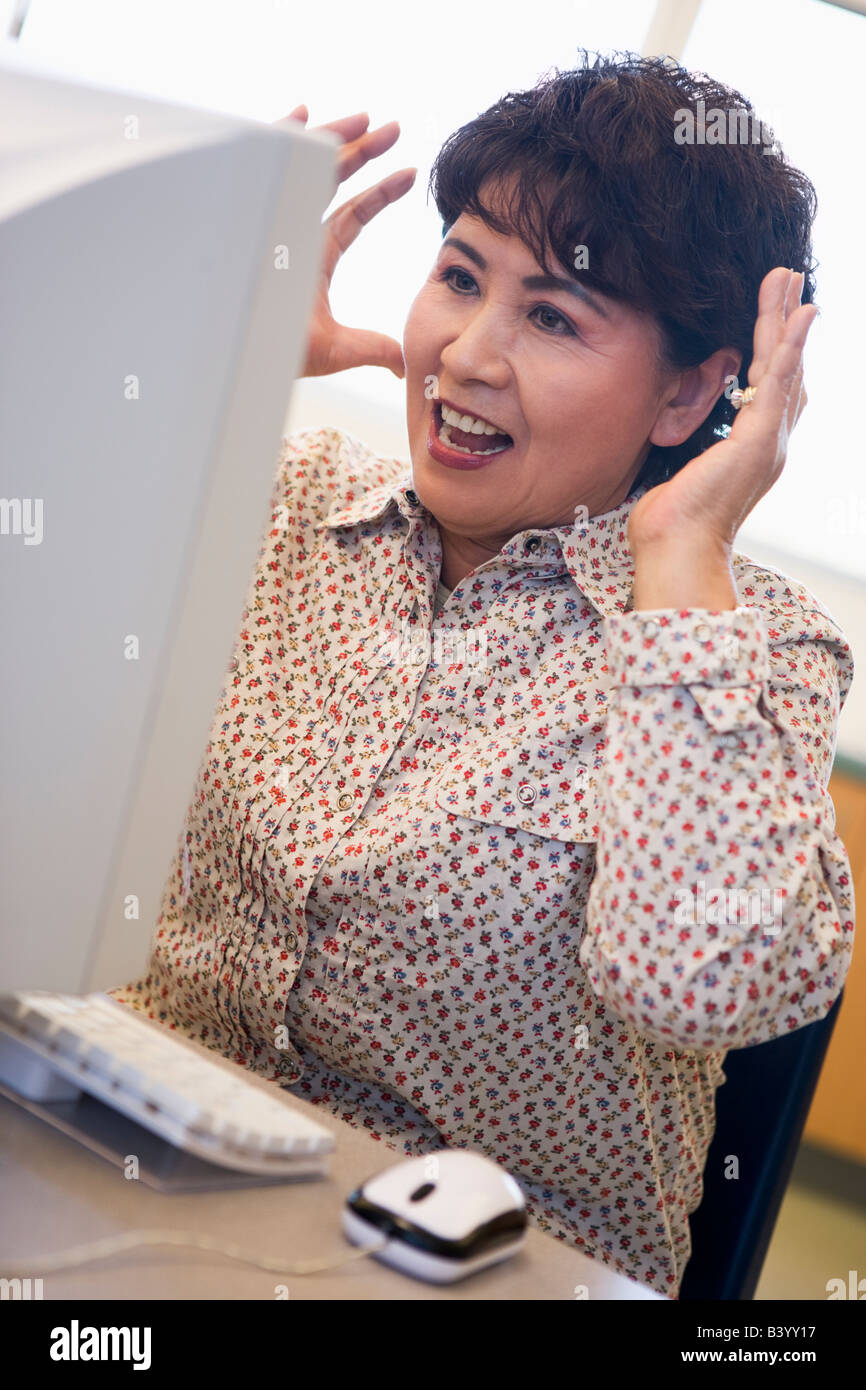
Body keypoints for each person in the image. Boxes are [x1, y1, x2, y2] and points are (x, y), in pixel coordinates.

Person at [110, 51, 855, 1299]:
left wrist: (681, 542)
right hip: (146, 1193)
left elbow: (693, 978)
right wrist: (201, 367)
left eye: (551, 317)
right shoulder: (283, 498)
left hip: (479, 1277)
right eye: (457, 278)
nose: (461, 355)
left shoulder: (746, 644)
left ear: (686, 392)